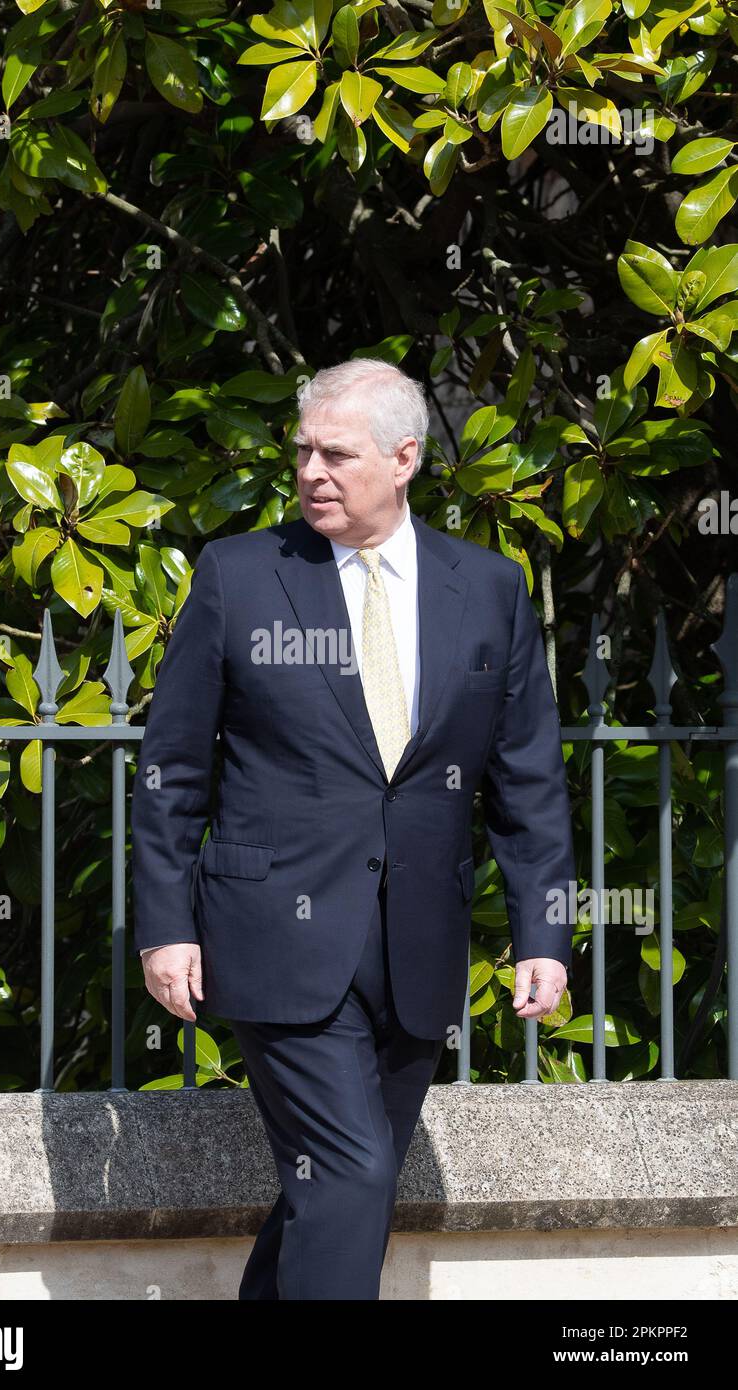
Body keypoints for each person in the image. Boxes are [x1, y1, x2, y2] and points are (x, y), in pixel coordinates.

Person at [131, 357, 575, 1300]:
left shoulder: (489, 587)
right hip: (274, 940)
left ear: (405, 457)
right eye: (302, 453)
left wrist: (544, 933)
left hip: (416, 947)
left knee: (331, 1196)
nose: (311, 472)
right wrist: (165, 925)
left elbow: (527, 774)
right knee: (351, 1174)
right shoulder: (240, 576)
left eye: (336, 454)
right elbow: (172, 769)